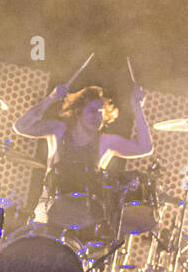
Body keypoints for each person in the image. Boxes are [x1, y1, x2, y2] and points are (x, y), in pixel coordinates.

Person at [13, 78, 152, 230]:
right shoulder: (59, 130)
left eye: (101, 112)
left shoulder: (105, 141)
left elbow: (145, 148)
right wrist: (50, 99)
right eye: (92, 111)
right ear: (78, 112)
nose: (97, 116)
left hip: (86, 214)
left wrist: (137, 107)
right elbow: (21, 127)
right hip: (48, 207)